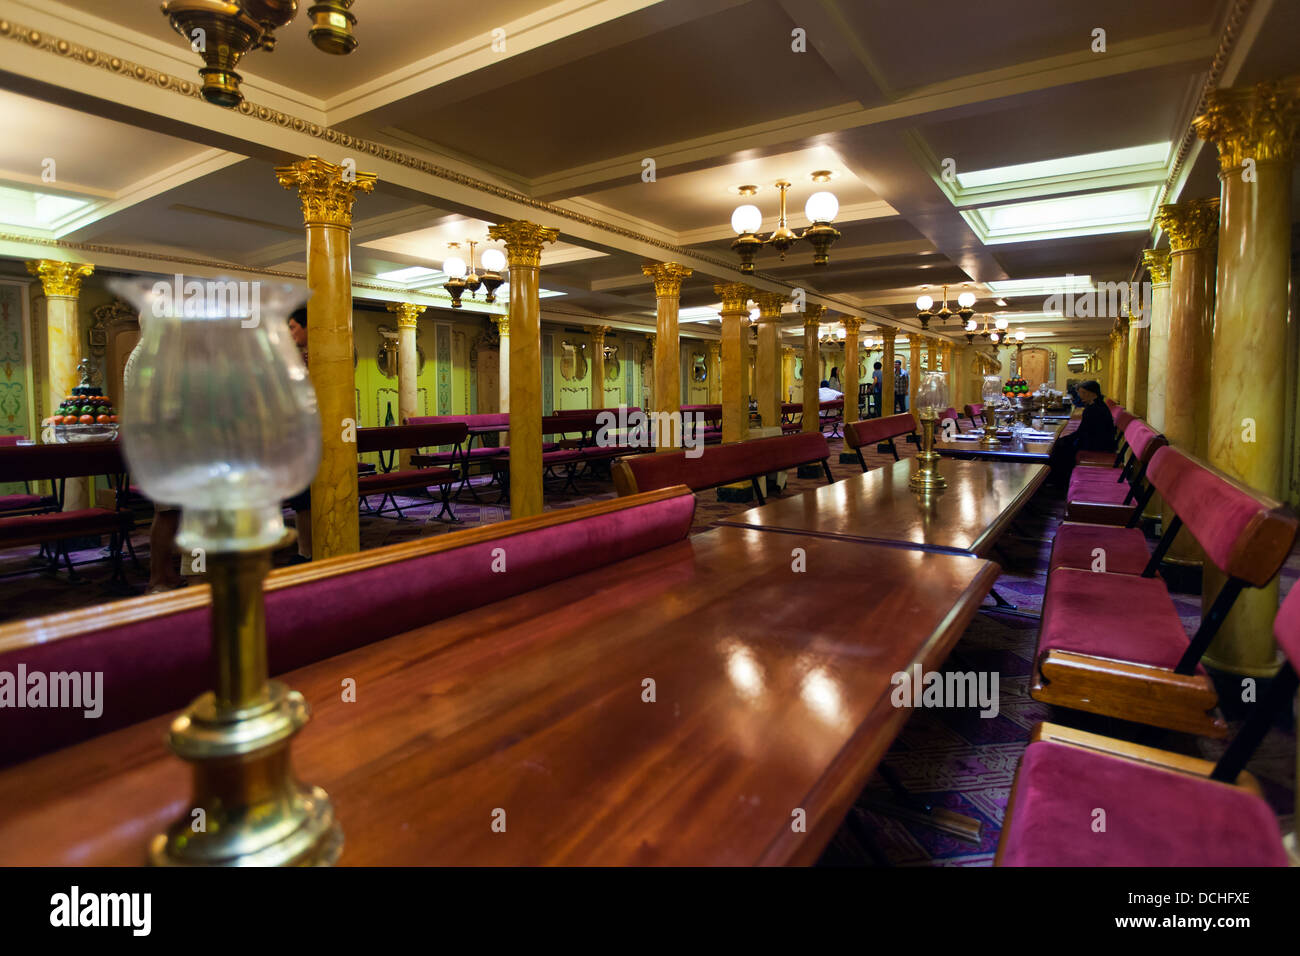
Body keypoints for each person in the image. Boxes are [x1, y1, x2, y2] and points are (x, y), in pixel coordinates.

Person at [1048, 379, 1114, 485]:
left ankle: (1058, 481)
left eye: (1083, 393)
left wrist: (1063, 439)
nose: (1080, 396)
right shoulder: (1098, 405)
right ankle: (1057, 479)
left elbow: (1082, 432)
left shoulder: (1093, 409)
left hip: (1097, 445)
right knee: (1061, 444)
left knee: (1060, 447)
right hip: (1101, 440)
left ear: (1093, 393)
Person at [285, 307, 312, 562]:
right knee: (303, 501)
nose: (289, 332)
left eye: (293, 327)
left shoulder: (317, 360)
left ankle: (307, 551)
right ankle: (305, 549)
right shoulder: (300, 359)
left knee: (306, 500)